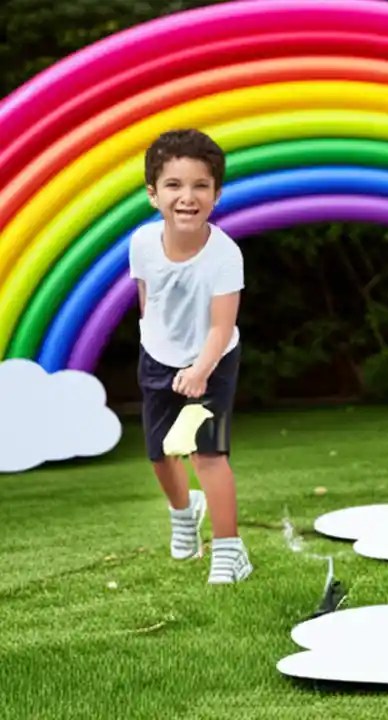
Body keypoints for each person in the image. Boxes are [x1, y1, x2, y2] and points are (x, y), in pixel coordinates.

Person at [129, 128, 252, 584]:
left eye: (200, 185)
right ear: (153, 194)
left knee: (207, 456)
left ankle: (229, 550)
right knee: (161, 452)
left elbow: (221, 325)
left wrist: (201, 369)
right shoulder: (142, 244)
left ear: (216, 195)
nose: (187, 196)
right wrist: (155, 345)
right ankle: (184, 515)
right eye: (174, 185)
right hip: (158, 356)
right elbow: (149, 298)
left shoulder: (224, 255)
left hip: (212, 359)